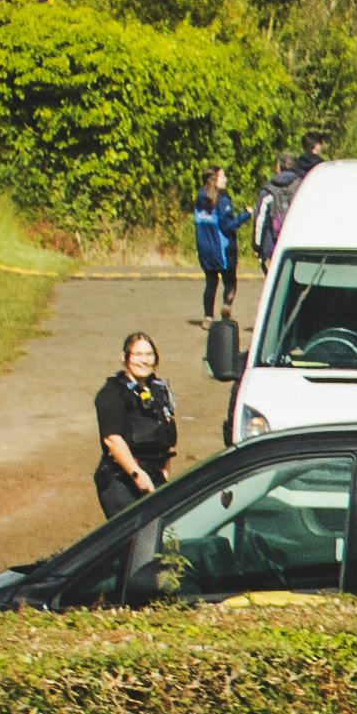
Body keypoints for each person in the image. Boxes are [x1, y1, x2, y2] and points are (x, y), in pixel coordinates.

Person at [92, 327, 178, 521]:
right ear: (125, 357)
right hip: (121, 480)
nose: (144, 360)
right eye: (138, 354)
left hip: (154, 475)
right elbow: (112, 440)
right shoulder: (112, 394)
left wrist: (164, 472)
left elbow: (168, 434)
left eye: (149, 354)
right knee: (132, 538)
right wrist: (137, 474)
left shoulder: (159, 391)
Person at [191, 168, 247, 324]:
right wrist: (245, 215)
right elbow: (229, 226)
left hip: (204, 249)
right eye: (223, 177)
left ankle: (208, 317)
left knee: (211, 282)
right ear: (214, 179)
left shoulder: (199, 199)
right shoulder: (222, 200)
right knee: (230, 281)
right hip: (222, 249)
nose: (226, 180)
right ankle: (226, 307)